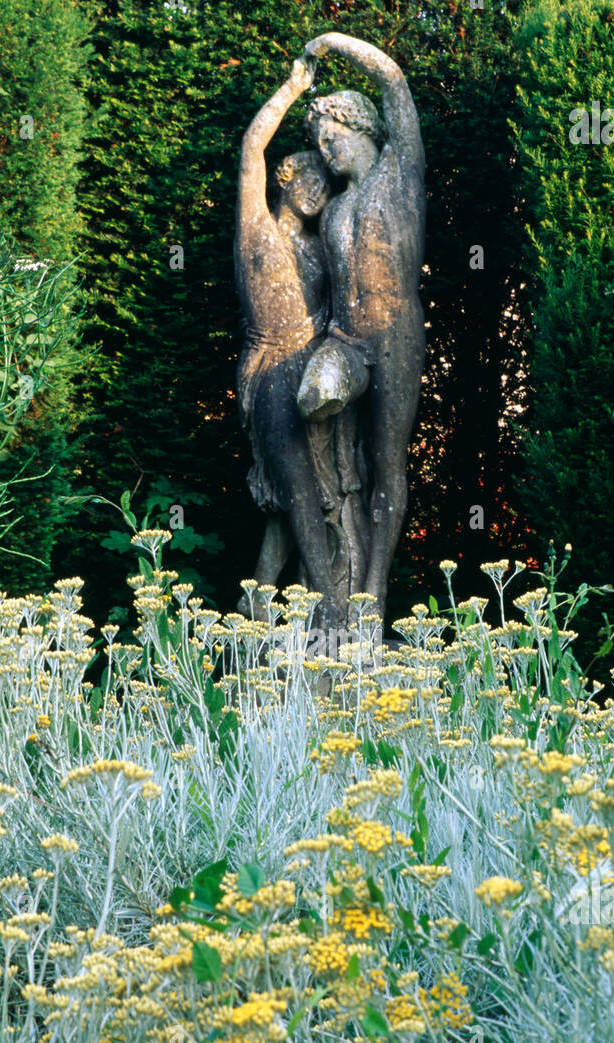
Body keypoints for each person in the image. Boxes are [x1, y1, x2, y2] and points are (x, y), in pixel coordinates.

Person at [300, 33, 426, 617]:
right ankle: (331, 538)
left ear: (362, 127)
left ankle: (371, 592)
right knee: (312, 397)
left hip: (395, 335)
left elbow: (394, 83)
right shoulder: (335, 206)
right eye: (320, 144)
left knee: (388, 462)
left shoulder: (400, 169)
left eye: (333, 138)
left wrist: (335, 44)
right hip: (345, 338)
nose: (327, 152)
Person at [234, 56, 346, 627]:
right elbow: (252, 148)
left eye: (328, 188)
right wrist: (292, 87)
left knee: (286, 510)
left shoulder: (323, 248)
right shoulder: (256, 224)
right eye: (311, 181)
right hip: (271, 370)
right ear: (287, 176)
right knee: (299, 491)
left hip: (307, 376)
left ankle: (249, 622)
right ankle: (332, 614)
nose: (319, 194)